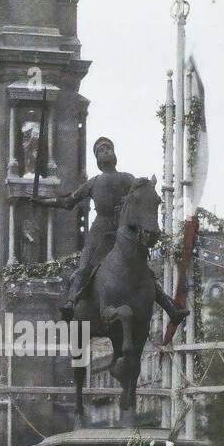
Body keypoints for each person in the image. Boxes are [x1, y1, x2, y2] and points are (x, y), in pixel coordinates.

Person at [35, 136, 188, 327]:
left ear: (115, 154)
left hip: (124, 232)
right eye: (101, 150)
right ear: (97, 159)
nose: (106, 151)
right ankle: (70, 303)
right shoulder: (93, 182)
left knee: (144, 271)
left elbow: (140, 196)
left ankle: (171, 309)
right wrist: (42, 201)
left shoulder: (127, 178)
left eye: (109, 148)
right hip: (100, 231)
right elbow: (68, 202)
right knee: (85, 267)